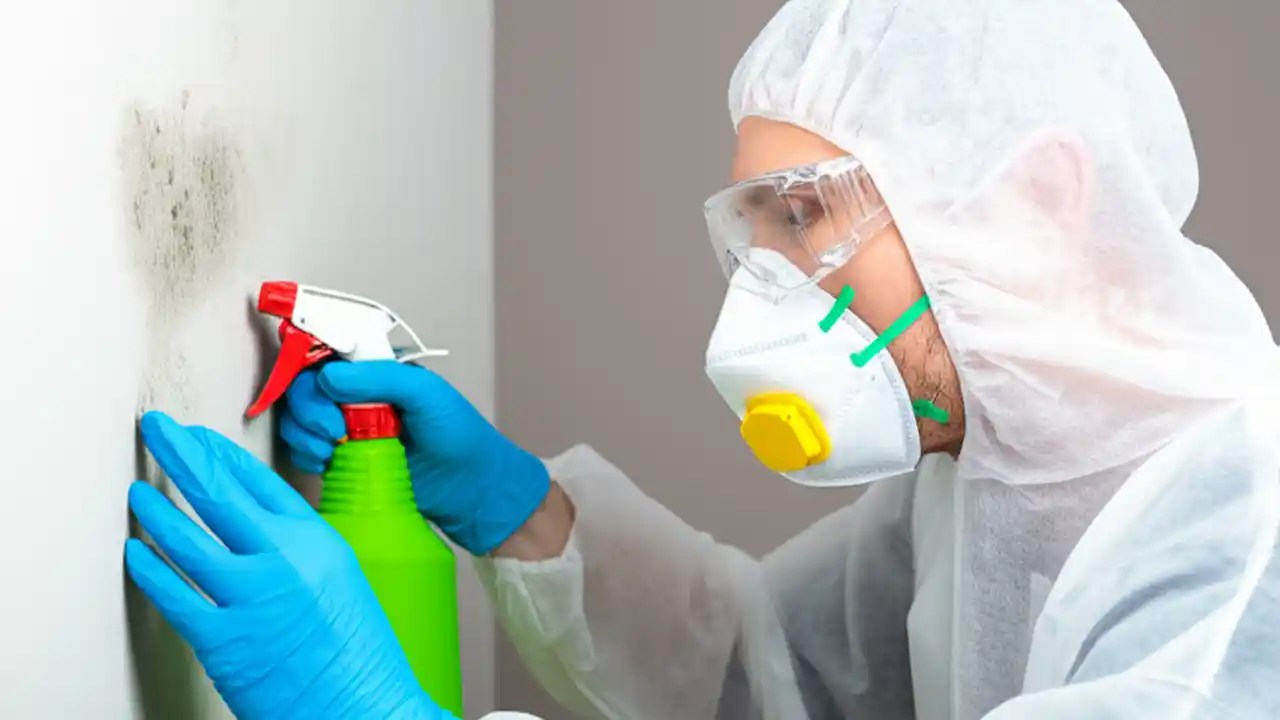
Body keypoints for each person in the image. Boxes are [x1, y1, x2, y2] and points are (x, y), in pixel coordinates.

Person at [126, 0, 1280, 717]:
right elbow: (763, 679)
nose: (764, 297)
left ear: (1035, 201)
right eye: (754, 235)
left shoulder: (1240, 556)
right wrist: (516, 507)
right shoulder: (989, 473)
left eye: (806, 223)